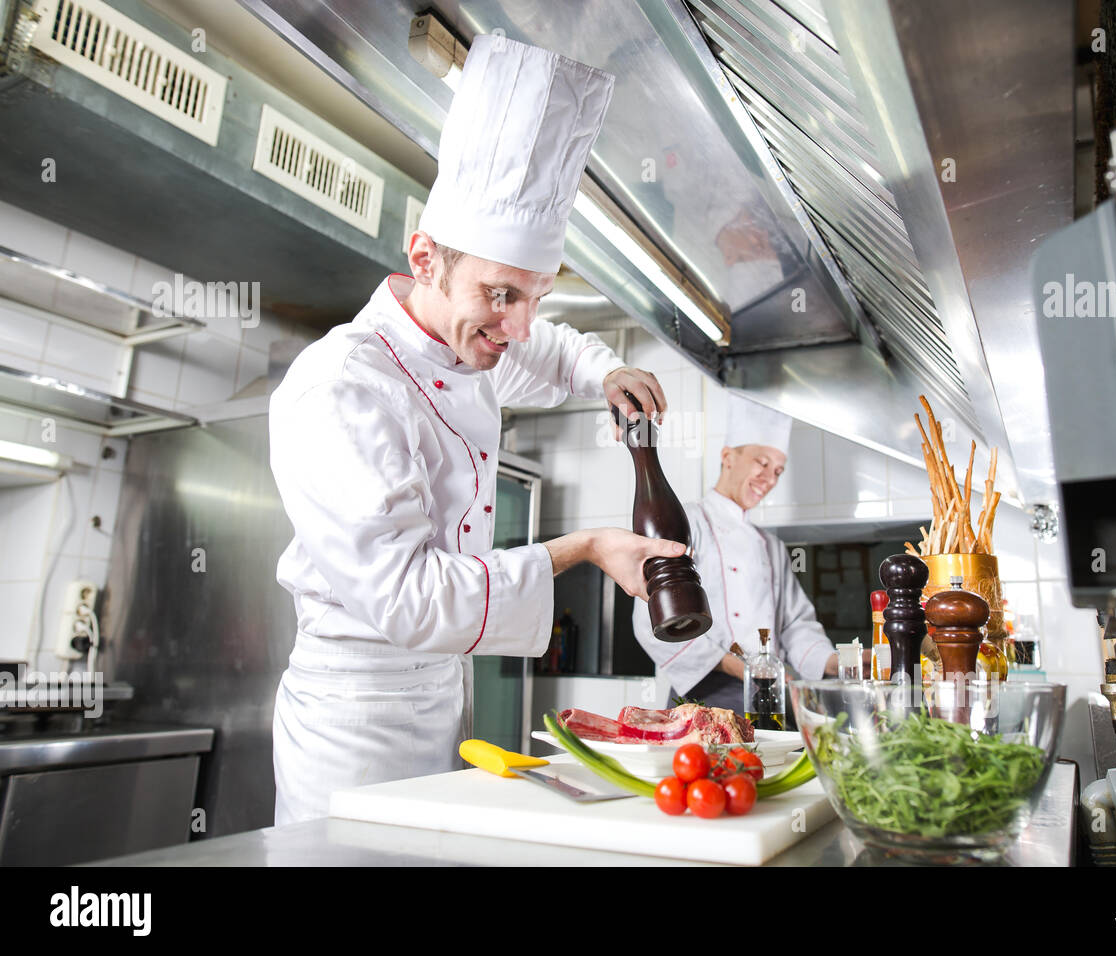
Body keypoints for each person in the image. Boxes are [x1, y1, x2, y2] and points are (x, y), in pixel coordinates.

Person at [267, 36, 682, 824]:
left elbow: (553, 351)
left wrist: (605, 373)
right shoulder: (344, 387)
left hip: (440, 697)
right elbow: (413, 598)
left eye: (537, 296)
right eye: (501, 295)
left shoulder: (468, 346)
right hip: (353, 722)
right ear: (424, 257)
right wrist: (586, 548)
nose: (520, 327)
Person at [633, 394, 838, 714]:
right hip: (704, 691)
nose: (770, 479)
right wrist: (736, 666)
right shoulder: (683, 522)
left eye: (779, 471)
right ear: (728, 456)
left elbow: (795, 624)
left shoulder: (772, 546)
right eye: (763, 463)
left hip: (767, 692)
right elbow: (654, 619)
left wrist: (838, 662)